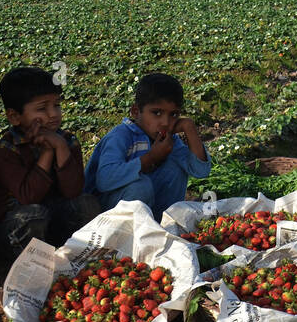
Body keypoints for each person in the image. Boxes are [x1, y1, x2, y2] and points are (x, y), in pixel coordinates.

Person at [0, 67, 102, 257]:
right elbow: (28, 197)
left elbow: (73, 191)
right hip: (17, 227)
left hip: (54, 219)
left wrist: (61, 148)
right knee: (32, 216)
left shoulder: (67, 141)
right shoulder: (7, 150)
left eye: (56, 105)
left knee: (87, 204)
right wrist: (48, 151)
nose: (53, 114)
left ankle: (73, 256)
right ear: (14, 117)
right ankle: (34, 263)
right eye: (42, 108)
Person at [83, 73, 211, 220]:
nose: (165, 122)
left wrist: (189, 128)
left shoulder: (168, 140)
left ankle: (161, 226)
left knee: (176, 168)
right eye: (157, 113)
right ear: (136, 112)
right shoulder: (121, 135)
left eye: (173, 115)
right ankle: (127, 238)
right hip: (102, 213)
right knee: (140, 186)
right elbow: (105, 180)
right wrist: (150, 158)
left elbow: (201, 171)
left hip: (143, 211)